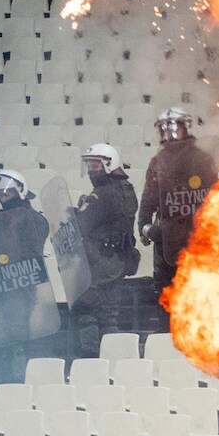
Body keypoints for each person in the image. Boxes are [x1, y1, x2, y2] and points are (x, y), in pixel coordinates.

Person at [137, 107, 218, 291]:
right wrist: (145, 227)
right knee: (167, 294)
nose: (170, 134)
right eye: (165, 129)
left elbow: (216, 194)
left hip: (197, 240)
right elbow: (149, 198)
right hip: (167, 241)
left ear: (185, 128)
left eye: (174, 128)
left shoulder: (202, 159)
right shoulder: (157, 162)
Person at [71, 144, 139, 358]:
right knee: (108, 313)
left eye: (96, 164)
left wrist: (74, 212)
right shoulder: (126, 189)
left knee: (85, 308)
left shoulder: (103, 193)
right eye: (89, 164)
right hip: (119, 259)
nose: (91, 169)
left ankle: (90, 358)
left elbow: (83, 223)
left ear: (110, 164)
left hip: (102, 261)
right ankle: (114, 358)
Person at [0, 170, 51, 342]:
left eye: (8, 193)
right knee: (2, 334)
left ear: (20, 192)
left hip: (20, 285)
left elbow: (30, 253)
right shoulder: (3, 219)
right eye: (0, 195)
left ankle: (19, 368)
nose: (3, 197)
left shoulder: (33, 219)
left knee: (16, 334)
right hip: (1, 285)